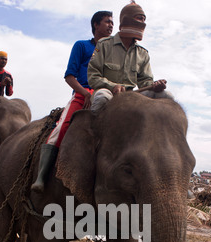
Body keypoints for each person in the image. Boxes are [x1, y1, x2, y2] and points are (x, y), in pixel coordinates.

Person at [31, 11, 114, 193]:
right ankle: (42, 176)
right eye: (107, 22)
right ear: (95, 25)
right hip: (83, 94)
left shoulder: (113, 52)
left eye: (112, 22)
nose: (111, 25)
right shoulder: (82, 46)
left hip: (109, 95)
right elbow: (69, 76)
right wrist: (85, 94)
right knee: (62, 126)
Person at [88, 1, 173, 114]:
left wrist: (155, 85)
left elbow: (145, 82)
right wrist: (113, 86)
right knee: (102, 97)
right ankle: (92, 129)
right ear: (126, 20)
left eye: (144, 19)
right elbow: (93, 76)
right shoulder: (104, 44)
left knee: (166, 96)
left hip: (133, 96)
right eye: (139, 18)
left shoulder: (143, 53)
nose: (143, 23)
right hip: (108, 93)